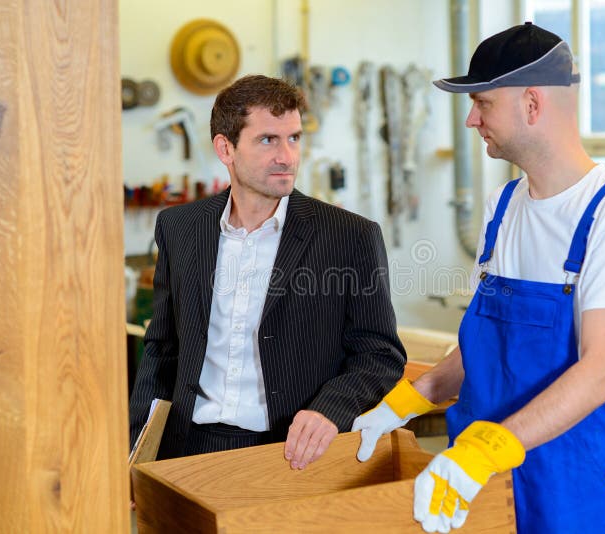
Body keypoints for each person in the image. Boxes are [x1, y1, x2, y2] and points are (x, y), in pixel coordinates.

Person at [352, 23, 605, 533]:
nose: (472, 120)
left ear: (532, 104)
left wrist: (484, 450)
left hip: (573, 477)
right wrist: (409, 399)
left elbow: (602, 369)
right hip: (487, 476)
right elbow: (485, 348)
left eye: (482, 103)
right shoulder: (502, 209)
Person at [129, 75, 405, 470]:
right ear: (225, 148)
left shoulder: (350, 236)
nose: (287, 156)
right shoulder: (179, 228)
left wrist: (330, 411)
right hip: (187, 450)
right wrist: (137, 449)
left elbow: (380, 354)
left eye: (293, 138)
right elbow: (162, 348)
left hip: (291, 453)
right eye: (267, 140)